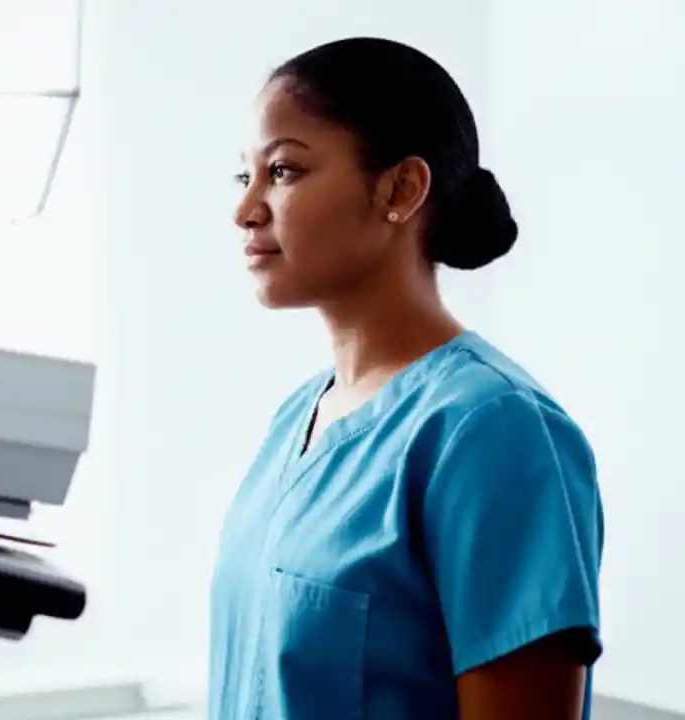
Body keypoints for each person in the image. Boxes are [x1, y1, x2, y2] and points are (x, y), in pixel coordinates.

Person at [209, 37, 604, 720]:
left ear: (401, 189)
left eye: (283, 171)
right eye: (242, 177)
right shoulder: (296, 419)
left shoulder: (492, 432)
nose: (246, 210)